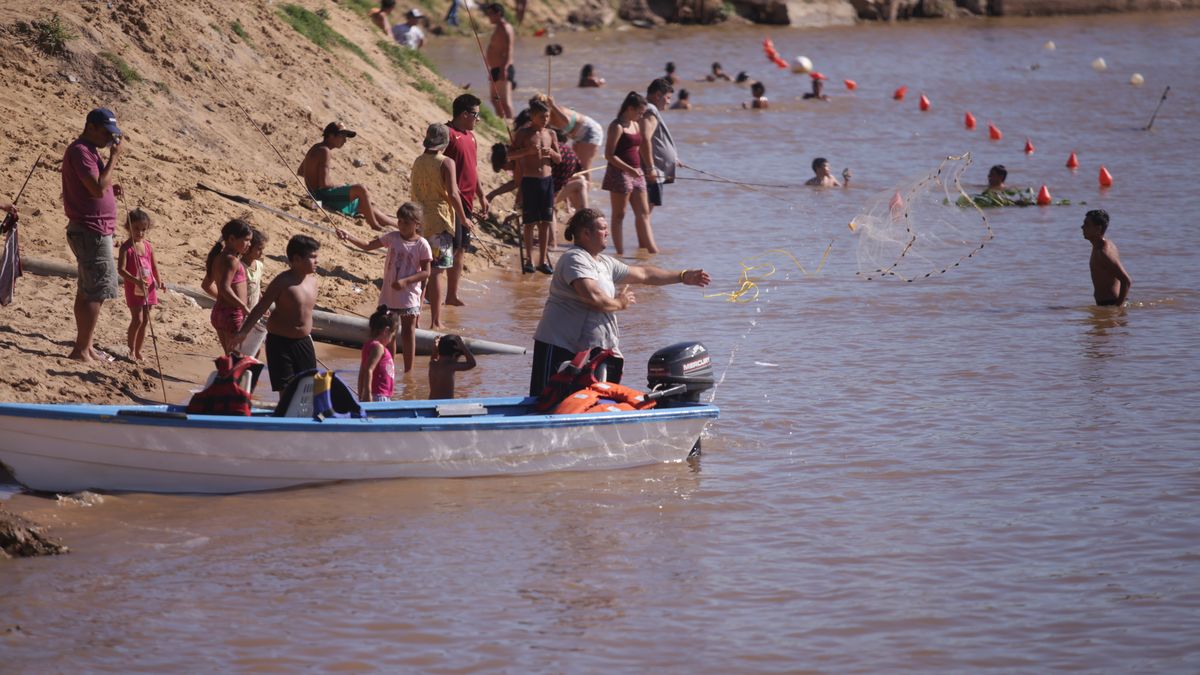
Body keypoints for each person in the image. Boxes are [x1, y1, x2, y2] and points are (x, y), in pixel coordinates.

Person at [529, 208, 710, 396]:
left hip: (590, 350)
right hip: (560, 346)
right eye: (603, 229)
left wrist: (682, 276)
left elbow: (644, 274)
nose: (607, 233)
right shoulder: (574, 259)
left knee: (587, 403)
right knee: (546, 402)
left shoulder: (604, 263)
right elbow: (594, 298)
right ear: (585, 234)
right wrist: (620, 303)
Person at [336, 203, 431, 373]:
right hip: (389, 294)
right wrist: (348, 236)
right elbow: (367, 245)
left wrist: (405, 281)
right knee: (390, 334)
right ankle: (390, 367)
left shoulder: (422, 244)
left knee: (409, 333)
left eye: (406, 223)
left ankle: (409, 371)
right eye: (400, 221)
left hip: (409, 295)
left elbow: (426, 273)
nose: (401, 225)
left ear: (417, 224)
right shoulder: (392, 237)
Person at [62, 107, 124, 362]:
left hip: (93, 230)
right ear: (90, 127)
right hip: (91, 231)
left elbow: (98, 186)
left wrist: (111, 188)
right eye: (106, 133)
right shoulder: (80, 151)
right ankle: (81, 349)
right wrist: (114, 159)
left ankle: (85, 346)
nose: (110, 139)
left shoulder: (90, 152)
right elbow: (97, 188)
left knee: (88, 289)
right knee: (95, 290)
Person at [235, 235, 322, 392]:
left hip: (303, 341)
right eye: (313, 257)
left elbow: (304, 311)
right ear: (296, 259)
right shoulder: (282, 282)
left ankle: (301, 415)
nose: (317, 262)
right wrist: (243, 332)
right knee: (286, 388)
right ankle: (284, 413)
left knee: (308, 386)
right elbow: (261, 307)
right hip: (280, 343)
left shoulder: (313, 282)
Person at [411, 123, 470, 329]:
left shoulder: (418, 161)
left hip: (418, 220)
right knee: (437, 271)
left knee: (421, 271)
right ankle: (436, 322)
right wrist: (464, 218)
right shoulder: (446, 162)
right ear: (444, 144)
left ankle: (415, 320)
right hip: (439, 220)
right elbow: (453, 194)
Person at [298, 121, 396, 231]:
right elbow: (324, 184)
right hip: (321, 197)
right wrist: (340, 185)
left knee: (366, 204)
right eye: (342, 136)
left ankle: (397, 227)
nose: (345, 140)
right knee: (361, 189)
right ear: (330, 135)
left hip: (316, 194)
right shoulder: (325, 151)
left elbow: (301, 171)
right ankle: (375, 226)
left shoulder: (317, 147)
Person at [443, 94, 488, 306]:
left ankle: (452, 294)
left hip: (468, 201)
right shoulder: (448, 134)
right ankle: (427, 290)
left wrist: (481, 194)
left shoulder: (471, 136)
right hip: (449, 202)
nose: (478, 120)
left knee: (461, 248)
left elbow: (473, 168)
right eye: (476, 115)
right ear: (465, 114)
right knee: (443, 248)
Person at [602, 92, 654, 255]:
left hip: (637, 172)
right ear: (629, 108)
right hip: (619, 173)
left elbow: (639, 148)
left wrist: (648, 168)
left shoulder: (635, 124)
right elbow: (609, 155)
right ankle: (620, 253)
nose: (641, 116)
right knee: (619, 215)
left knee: (644, 212)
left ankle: (652, 251)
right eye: (639, 112)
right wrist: (628, 169)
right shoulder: (617, 126)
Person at [513, 99, 561, 274]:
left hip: (547, 181)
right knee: (529, 222)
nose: (545, 119)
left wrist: (553, 153)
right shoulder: (524, 133)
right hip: (530, 180)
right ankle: (529, 260)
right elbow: (511, 154)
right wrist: (527, 152)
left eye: (548, 116)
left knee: (545, 222)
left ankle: (542, 260)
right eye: (542, 116)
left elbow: (559, 159)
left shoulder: (551, 134)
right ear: (533, 116)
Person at [202, 219, 254, 355]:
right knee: (240, 357)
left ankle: (226, 376)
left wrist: (221, 299)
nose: (249, 244)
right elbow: (225, 288)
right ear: (231, 239)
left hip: (219, 313)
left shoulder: (218, 257)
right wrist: (243, 306)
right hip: (233, 315)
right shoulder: (232, 261)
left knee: (230, 356)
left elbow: (206, 285)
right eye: (247, 240)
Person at [116, 208, 160, 362]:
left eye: (143, 230)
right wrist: (135, 281)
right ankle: (131, 349)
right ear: (128, 227)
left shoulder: (147, 246)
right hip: (134, 287)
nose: (140, 233)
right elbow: (121, 270)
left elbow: (154, 266)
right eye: (136, 229)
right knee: (137, 319)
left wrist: (159, 281)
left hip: (149, 286)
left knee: (146, 320)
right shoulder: (126, 248)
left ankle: (139, 350)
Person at [642, 78, 681, 218]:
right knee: (645, 213)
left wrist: (673, 158)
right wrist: (650, 168)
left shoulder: (648, 109)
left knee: (646, 212)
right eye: (668, 98)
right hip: (653, 170)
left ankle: (644, 239)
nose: (669, 102)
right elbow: (644, 138)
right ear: (658, 95)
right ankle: (645, 240)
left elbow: (655, 140)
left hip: (655, 169)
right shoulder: (650, 110)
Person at [542, 95, 604, 179]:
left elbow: (567, 122)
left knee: (584, 167)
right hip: (576, 136)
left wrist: (553, 105)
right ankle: (576, 189)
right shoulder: (544, 118)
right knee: (575, 166)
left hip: (590, 131)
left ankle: (586, 190)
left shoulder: (557, 111)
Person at [1081, 209, 1132, 307]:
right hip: (1107, 305)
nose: (1082, 227)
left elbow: (1126, 280)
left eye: (1086, 224)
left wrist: (1117, 309)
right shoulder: (1101, 245)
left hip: (1111, 304)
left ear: (1098, 229)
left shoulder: (1104, 253)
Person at [239, 228, 270, 358]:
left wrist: (263, 303)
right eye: (259, 249)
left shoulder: (258, 265)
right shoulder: (240, 267)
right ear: (249, 247)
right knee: (240, 348)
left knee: (255, 349)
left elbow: (256, 287)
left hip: (254, 312)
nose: (261, 253)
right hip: (242, 313)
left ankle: (249, 374)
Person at [359, 305, 398, 402]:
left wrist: (361, 394)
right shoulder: (379, 348)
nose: (391, 339)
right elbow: (368, 370)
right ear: (386, 331)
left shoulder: (368, 345)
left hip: (377, 395)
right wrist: (367, 394)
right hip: (379, 396)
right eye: (392, 334)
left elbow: (362, 372)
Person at [484, 3, 515, 119]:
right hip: (495, 68)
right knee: (494, 99)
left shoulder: (505, 28)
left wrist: (504, 69)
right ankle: (503, 122)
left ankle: (511, 125)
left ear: (498, 14)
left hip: (503, 68)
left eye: (490, 14)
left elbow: (509, 49)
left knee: (505, 101)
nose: (488, 17)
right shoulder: (498, 28)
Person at [428, 334, 476, 399]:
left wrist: (436, 347)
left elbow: (434, 356)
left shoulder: (432, 364)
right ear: (454, 355)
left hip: (431, 402)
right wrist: (462, 345)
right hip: (445, 405)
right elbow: (472, 363)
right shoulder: (450, 366)